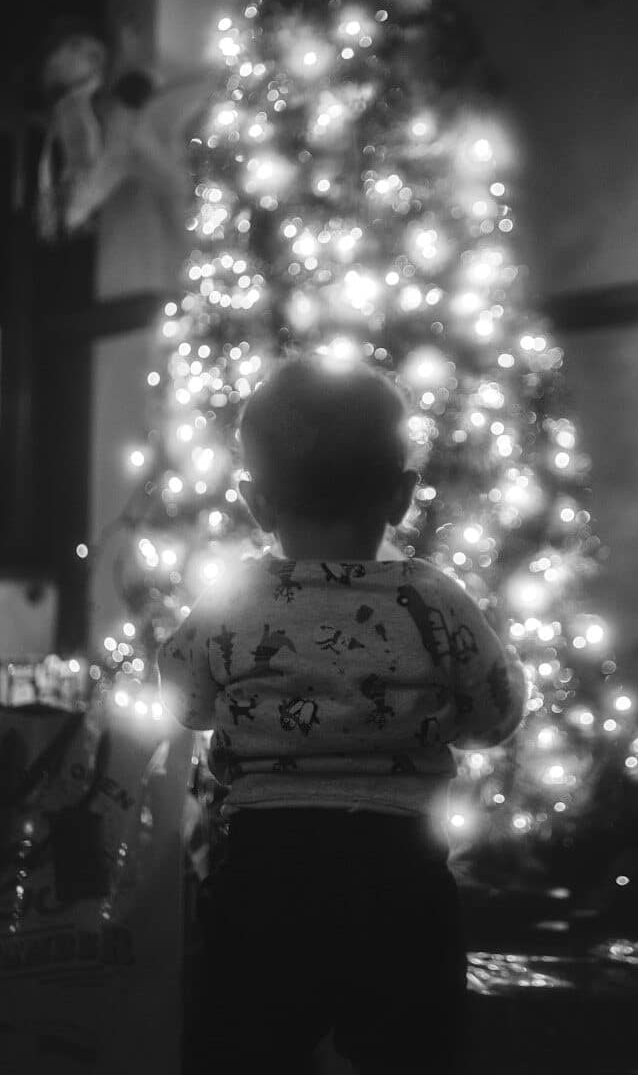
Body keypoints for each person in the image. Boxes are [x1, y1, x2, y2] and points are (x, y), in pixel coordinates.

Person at [158, 355, 526, 1075]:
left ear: (255, 503)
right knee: (411, 1050)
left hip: (265, 870)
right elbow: (496, 713)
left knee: (241, 1046)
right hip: (402, 875)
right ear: (401, 496)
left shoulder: (233, 600)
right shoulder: (434, 598)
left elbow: (184, 699)